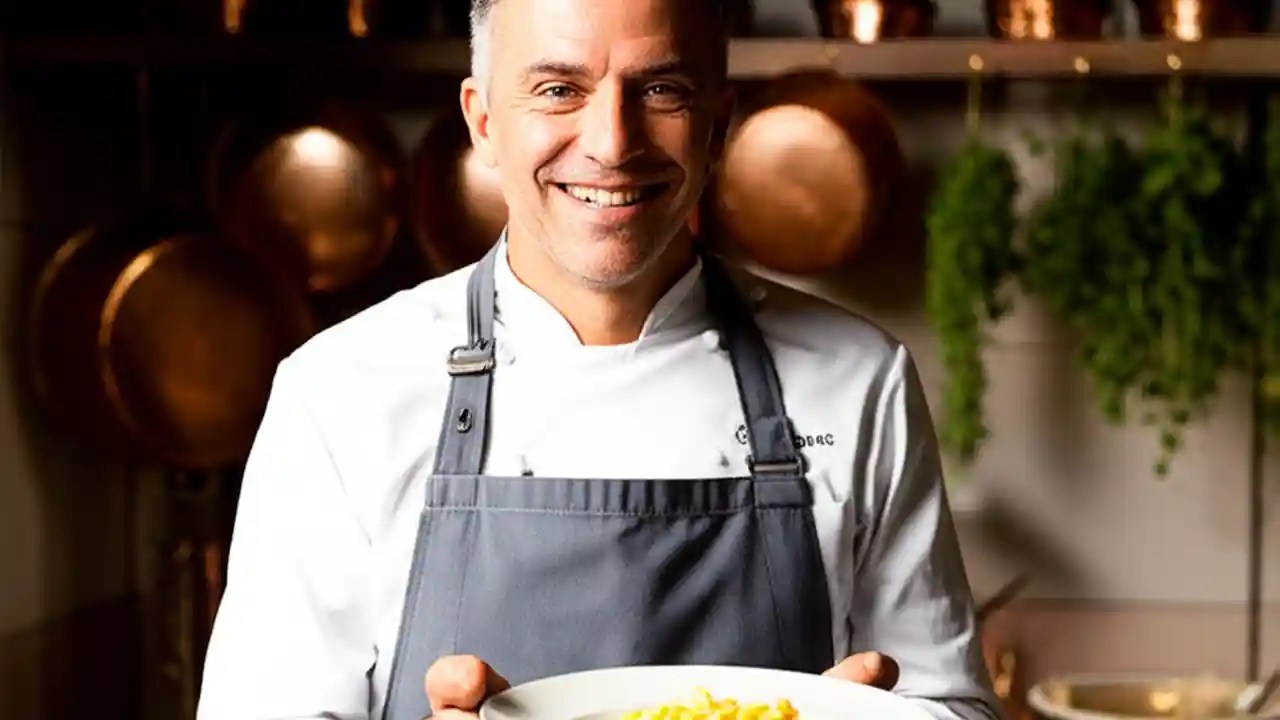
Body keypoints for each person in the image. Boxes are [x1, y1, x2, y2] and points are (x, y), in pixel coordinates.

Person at [196, 0, 1003, 718]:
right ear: (482, 120)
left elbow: (952, 704)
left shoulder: (860, 380)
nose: (612, 143)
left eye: (661, 90)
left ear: (718, 123)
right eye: (558, 89)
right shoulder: (339, 391)